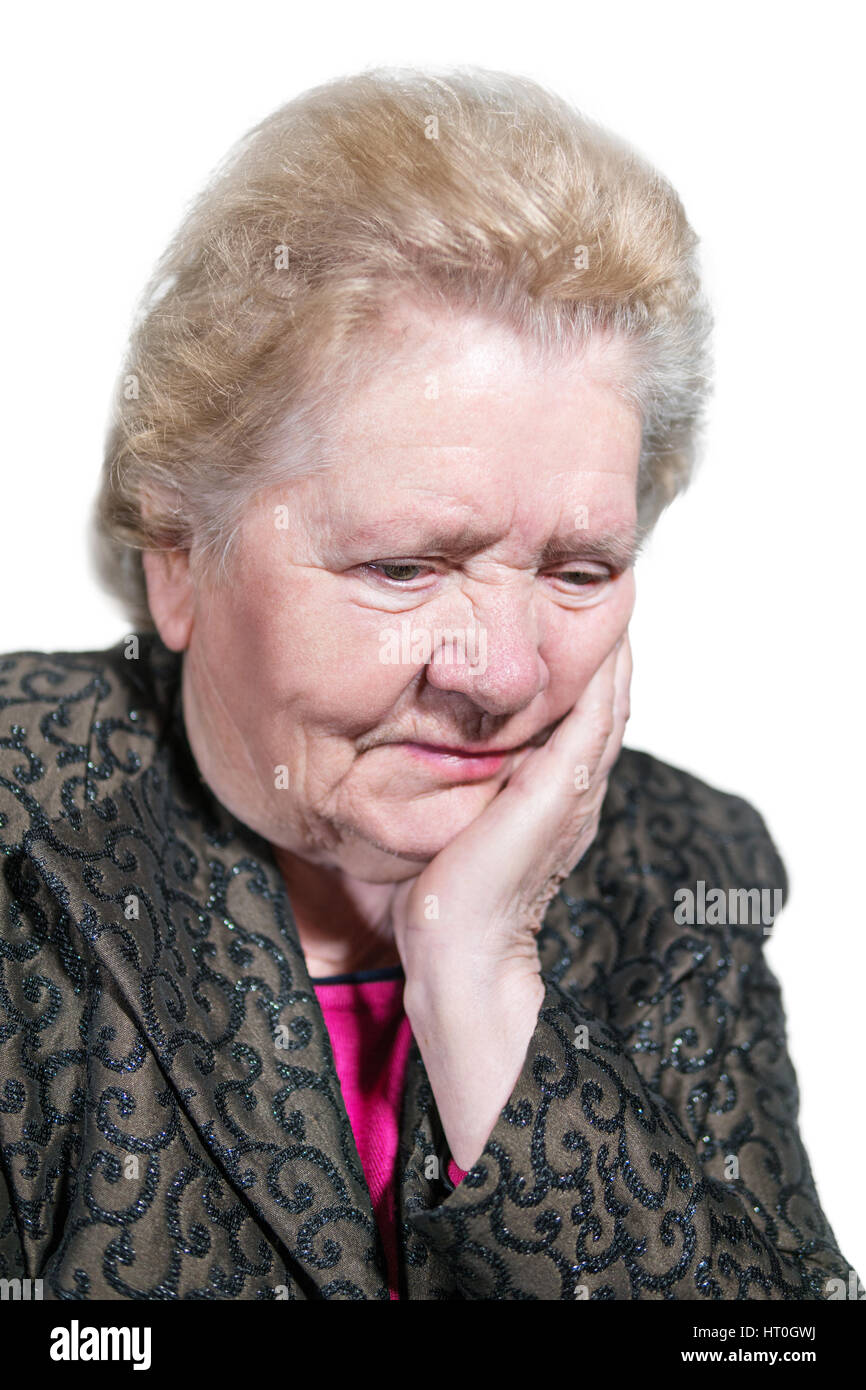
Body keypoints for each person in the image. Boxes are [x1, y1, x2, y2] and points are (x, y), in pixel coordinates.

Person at [0, 66, 855, 1300]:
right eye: (402, 566)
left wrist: (480, 972)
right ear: (177, 559)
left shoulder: (679, 866)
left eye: (577, 570)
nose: (502, 675)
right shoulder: (25, 827)